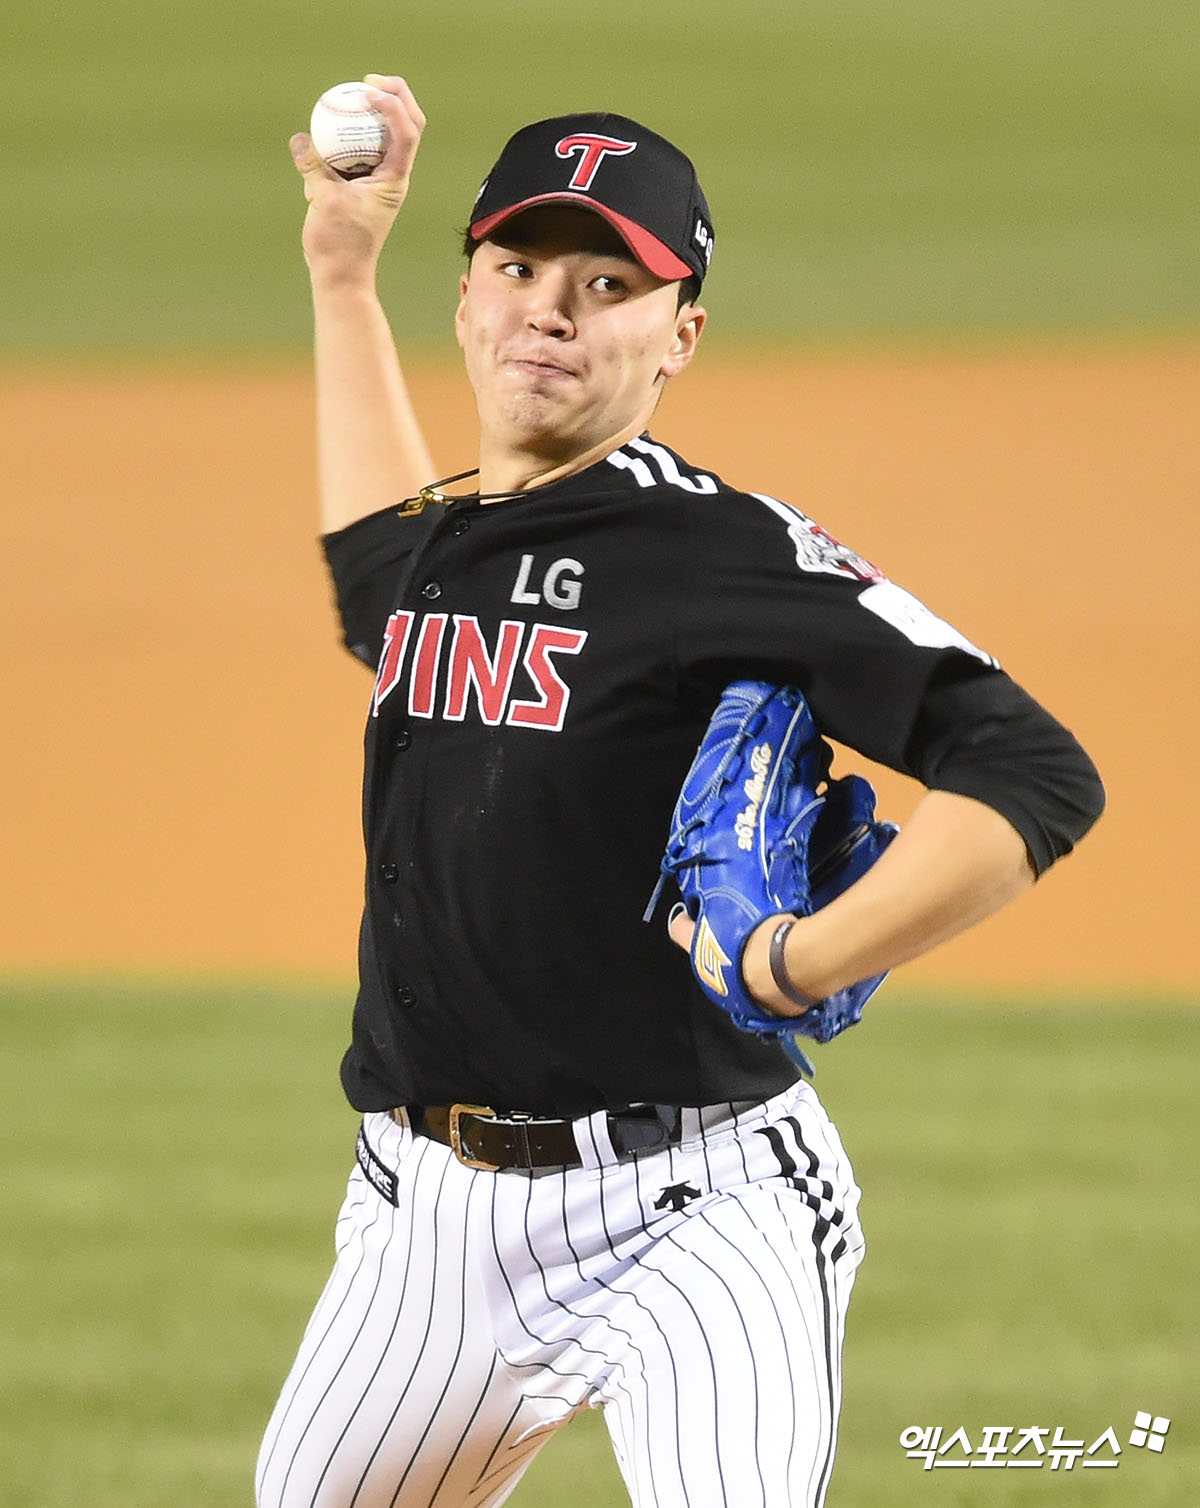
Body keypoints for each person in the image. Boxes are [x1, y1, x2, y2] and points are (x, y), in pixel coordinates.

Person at [256, 76, 1104, 1508]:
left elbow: (1033, 769)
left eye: (608, 284)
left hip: (699, 1207)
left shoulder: (722, 549)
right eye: (518, 269)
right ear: (465, 299)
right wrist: (344, 275)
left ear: (679, 335)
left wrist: (795, 961)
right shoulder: (451, 539)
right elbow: (372, 582)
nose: (551, 310)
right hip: (426, 1216)